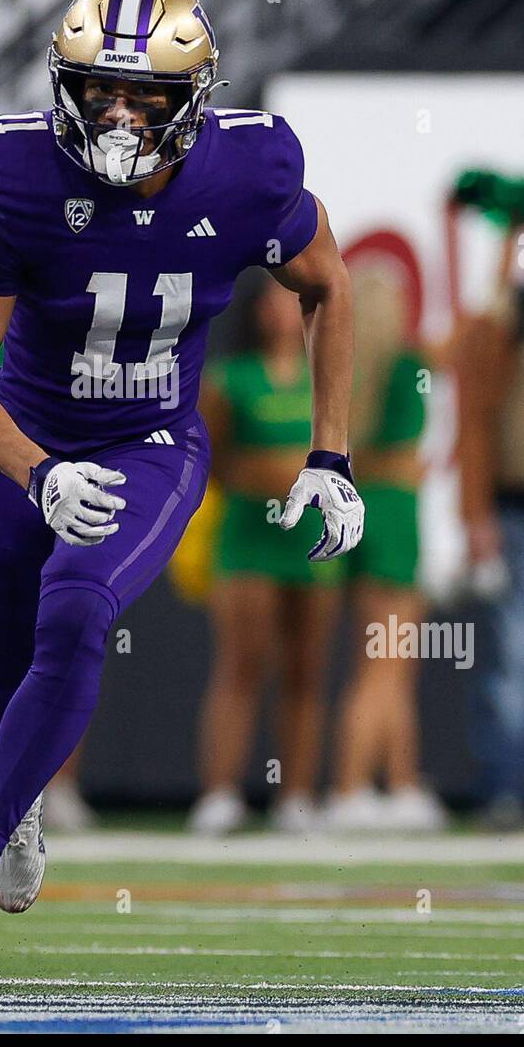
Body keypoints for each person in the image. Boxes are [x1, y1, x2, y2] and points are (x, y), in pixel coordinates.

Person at [0, 0, 364, 966]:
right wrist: (33, 472)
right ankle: (11, 801)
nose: (114, 112)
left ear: (188, 100)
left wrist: (330, 454)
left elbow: (327, 286)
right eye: (96, 88)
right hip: (19, 437)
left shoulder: (249, 171)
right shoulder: (13, 174)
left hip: (148, 437)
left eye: (142, 95)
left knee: (74, 611)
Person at [189, 278, 342, 836]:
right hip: (251, 535)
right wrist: (264, 482)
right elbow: (212, 458)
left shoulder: (322, 378)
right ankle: (220, 793)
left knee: (306, 668)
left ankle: (296, 796)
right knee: (241, 663)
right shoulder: (229, 380)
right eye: (270, 301)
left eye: (290, 299)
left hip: (311, 540)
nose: (280, 310)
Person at [322, 267, 444, 832]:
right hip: (395, 519)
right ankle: (348, 788)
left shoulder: (353, 372)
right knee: (384, 666)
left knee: (390, 662)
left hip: (365, 514)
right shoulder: (407, 366)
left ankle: (400, 783)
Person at [459, 235, 524, 829]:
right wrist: (476, 512)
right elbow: (478, 416)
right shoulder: (518, 312)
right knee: (517, 657)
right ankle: (503, 791)